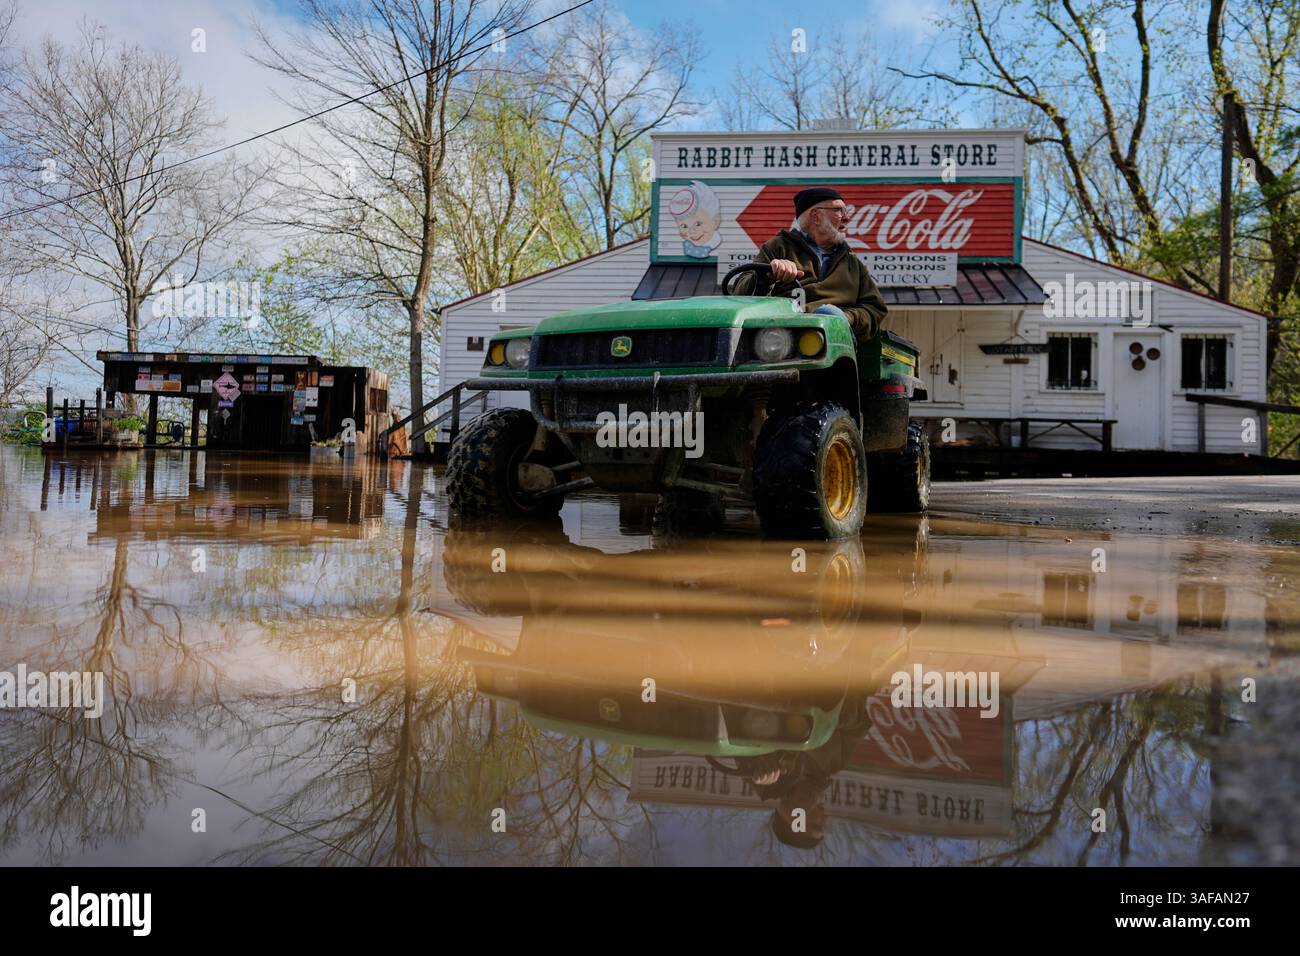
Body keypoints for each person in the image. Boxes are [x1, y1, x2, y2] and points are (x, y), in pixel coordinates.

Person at [733, 186, 888, 341]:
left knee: (830, 314)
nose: (846, 218)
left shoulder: (852, 262)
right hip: (782, 340)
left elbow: (875, 309)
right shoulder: (778, 247)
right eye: (839, 211)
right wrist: (767, 275)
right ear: (816, 216)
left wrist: (846, 318)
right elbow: (740, 295)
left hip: (839, 342)